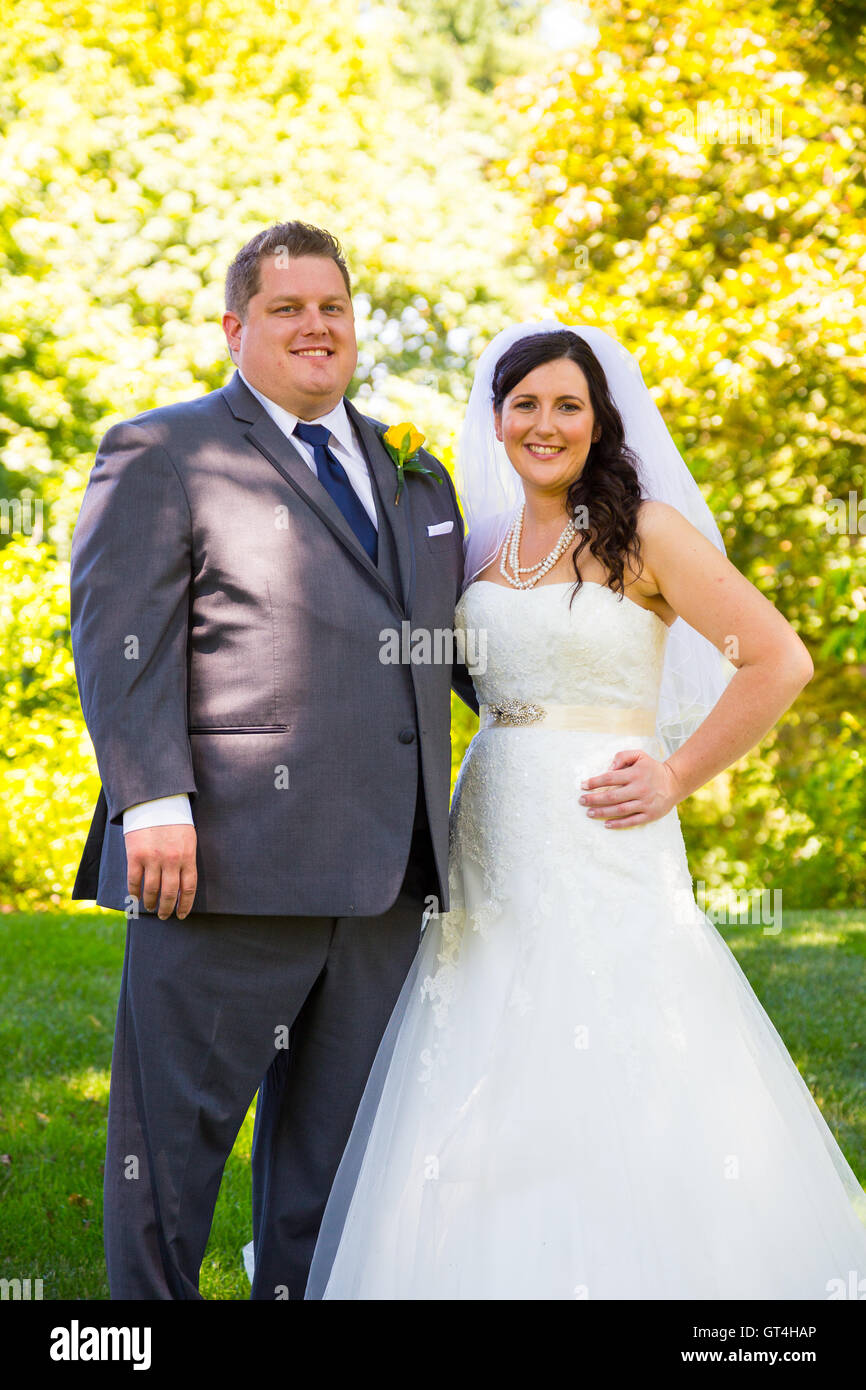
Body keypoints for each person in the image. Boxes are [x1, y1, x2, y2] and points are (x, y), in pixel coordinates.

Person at [305, 323, 866, 1299]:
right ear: (496, 419)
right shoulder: (473, 543)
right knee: (478, 1025)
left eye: (567, 404)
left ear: (599, 420)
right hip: (488, 819)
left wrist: (677, 773)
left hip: (607, 829)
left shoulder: (643, 531)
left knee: (616, 1025)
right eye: (524, 403)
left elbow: (776, 659)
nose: (544, 423)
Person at [69, 220, 476, 1299]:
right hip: (223, 863)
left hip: (389, 881)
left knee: (335, 1169)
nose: (315, 326)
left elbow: (455, 647)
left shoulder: (415, 469)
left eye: (332, 307)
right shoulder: (164, 450)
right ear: (234, 326)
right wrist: (150, 797)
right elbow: (121, 641)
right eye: (288, 307)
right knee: (170, 1156)